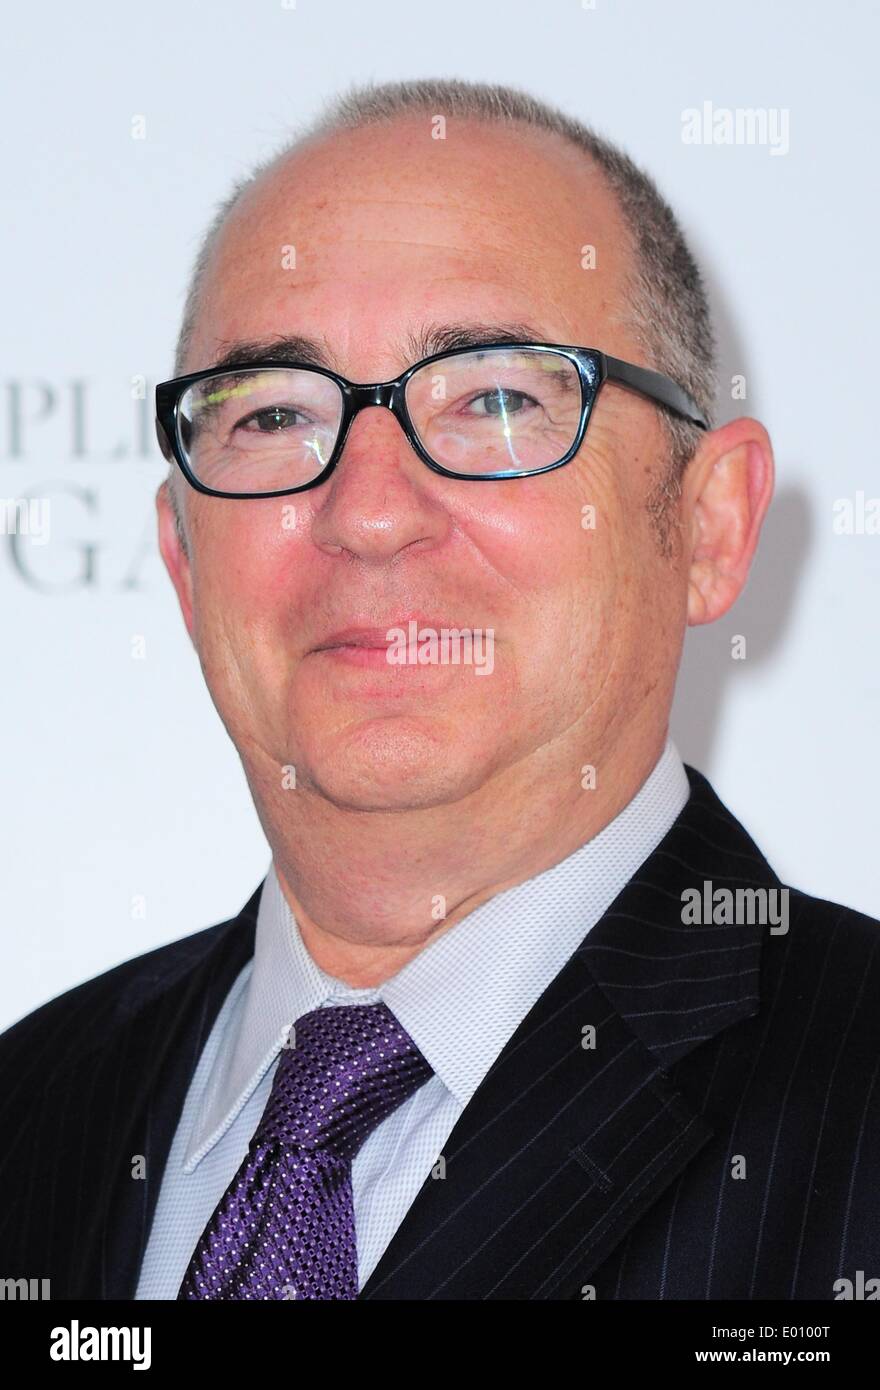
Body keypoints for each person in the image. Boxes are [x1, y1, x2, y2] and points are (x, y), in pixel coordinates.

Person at [2, 77, 878, 1303]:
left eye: (496, 400)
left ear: (709, 523)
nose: (365, 511)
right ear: (183, 559)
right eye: (271, 415)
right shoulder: (32, 1109)